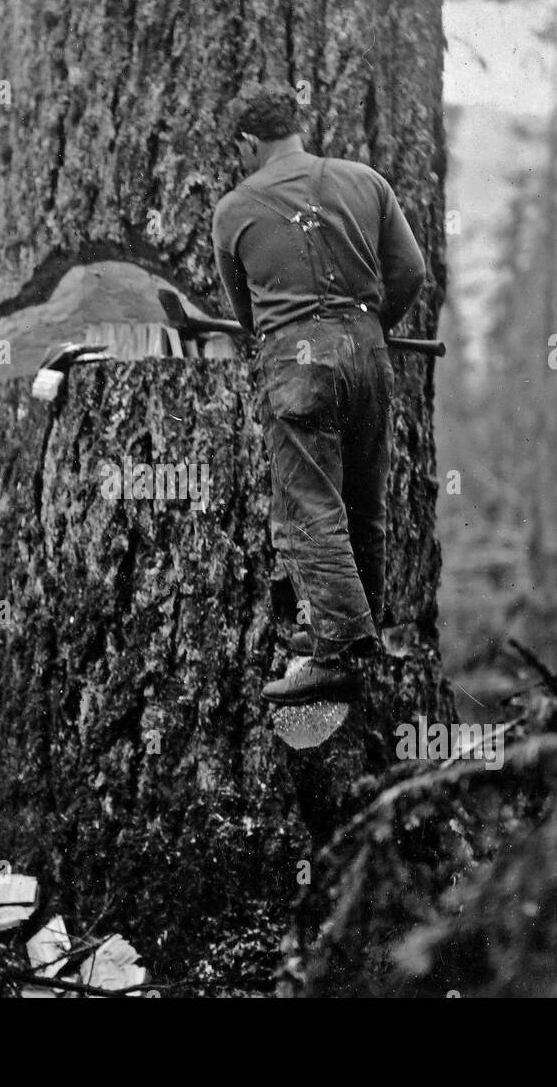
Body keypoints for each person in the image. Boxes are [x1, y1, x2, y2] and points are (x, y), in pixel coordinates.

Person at [212, 82, 426, 705]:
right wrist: (365, 329)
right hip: (369, 352)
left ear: (249, 143)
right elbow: (410, 273)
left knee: (309, 510)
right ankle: (362, 633)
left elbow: (247, 315)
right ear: (296, 128)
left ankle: (336, 651)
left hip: (297, 359)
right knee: (364, 503)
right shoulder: (367, 180)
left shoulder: (234, 209)